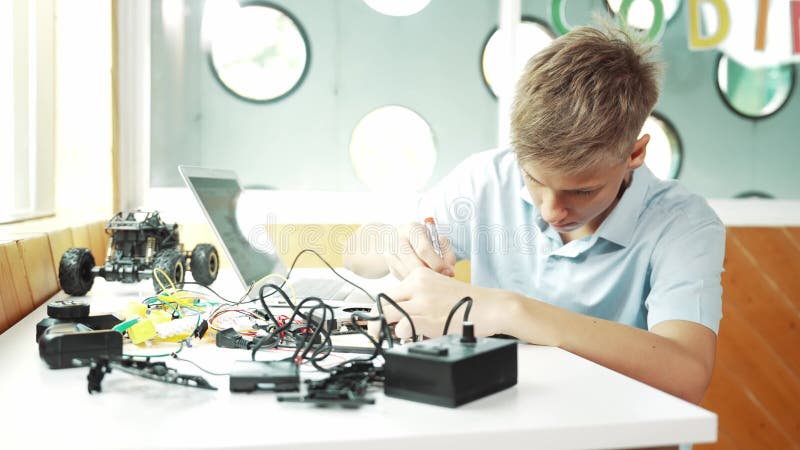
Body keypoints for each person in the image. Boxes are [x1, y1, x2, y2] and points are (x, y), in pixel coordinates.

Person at [343, 21, 724, 406]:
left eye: (583, 190)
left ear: (635, 154)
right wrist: (394, 243)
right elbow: (355, 255)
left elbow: (688, 373)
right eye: (534, 180)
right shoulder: (487, 179)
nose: (551, 210)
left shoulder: (683, 225)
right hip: (501, 420)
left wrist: (509, 311)